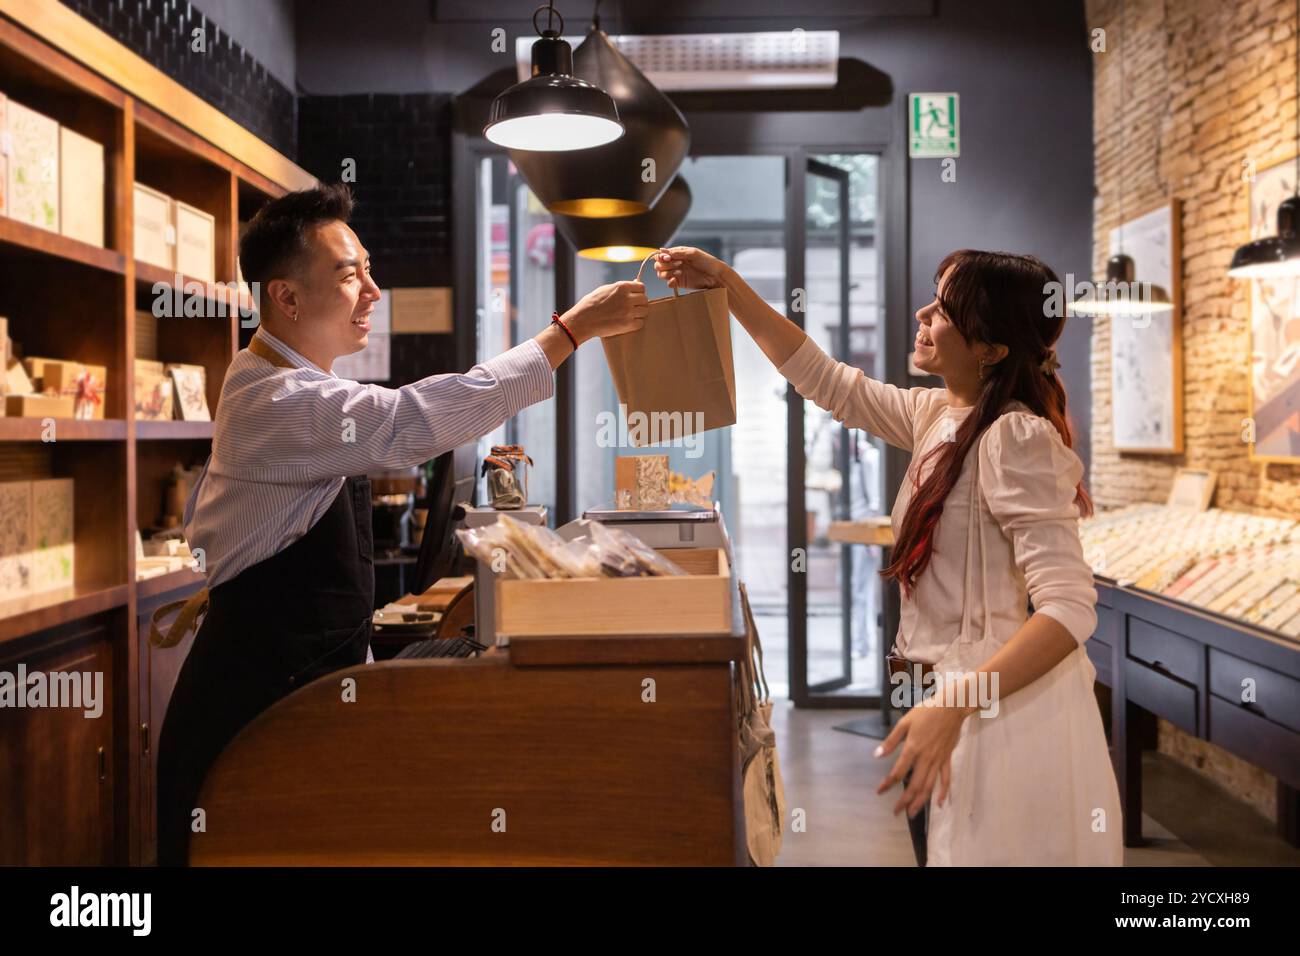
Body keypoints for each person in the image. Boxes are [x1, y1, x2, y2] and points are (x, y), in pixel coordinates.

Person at [154, 183, 647, 865]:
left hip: (292, 702)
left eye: (367, 268)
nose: (372, 291)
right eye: (349, 273)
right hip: (252, 718)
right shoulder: (278, 398)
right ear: (285, 298)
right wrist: (571, 331)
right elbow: (411, 421)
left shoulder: (290, 384)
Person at [653, 246, 1122, 866]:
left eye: (945, 307)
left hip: (990, 709)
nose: (924, 313)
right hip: (936, 701)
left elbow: (1068, 609)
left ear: (991, 348)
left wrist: (953, 705)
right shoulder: (940, 414)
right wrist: (729, 285)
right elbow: (824, 379)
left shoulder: (1014, 435)